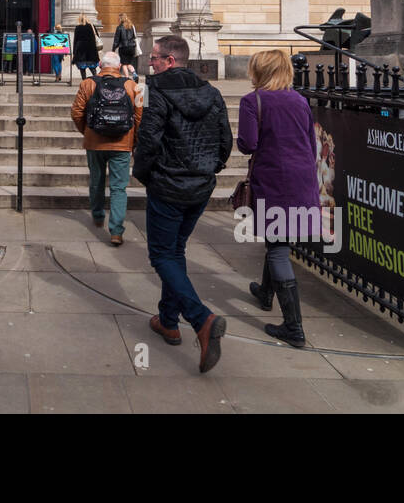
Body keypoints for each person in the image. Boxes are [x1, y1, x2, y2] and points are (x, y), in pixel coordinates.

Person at [133, 34, 234, 373]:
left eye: (155, 57)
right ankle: (167, 320)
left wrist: (147, 176)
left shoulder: (158, 90)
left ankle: (201, 319)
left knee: (162, 255)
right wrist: (208, 171)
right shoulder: (212, 92)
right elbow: (226, 142)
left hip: (169, 186)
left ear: (170, 61)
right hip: (200, 187)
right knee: (175, 252)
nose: (151, 62)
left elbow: (148, 140)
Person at [237, 49, 320, 349]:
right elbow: (311, 142)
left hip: (274, 179)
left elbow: (248, 144)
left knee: (278, 250)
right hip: (303, 178)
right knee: (279, 241)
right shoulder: (299, 100)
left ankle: (293, 327)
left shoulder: (252, 101)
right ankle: (265, 293)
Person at [71, 51, 142, 246]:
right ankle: (116, 231)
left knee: (96, 179)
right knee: (119, 187)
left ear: (101, 65)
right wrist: (134, 141)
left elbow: (76, 112)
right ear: (119, 67)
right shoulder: (135, 86)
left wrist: (87, 131)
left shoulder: (87, 84)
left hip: (94, 142)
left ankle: (97, 215)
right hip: (122, 143)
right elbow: (140, 117)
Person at [72, 13, 100, 78]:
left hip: (81, 50)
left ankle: (84, 82)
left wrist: (74, 52)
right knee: (93, 69)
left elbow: (75, 41)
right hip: (91, 50)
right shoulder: (92, 26)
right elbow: (97, 36)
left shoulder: (78, 28)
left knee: (82, 69)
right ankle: (96, 81)